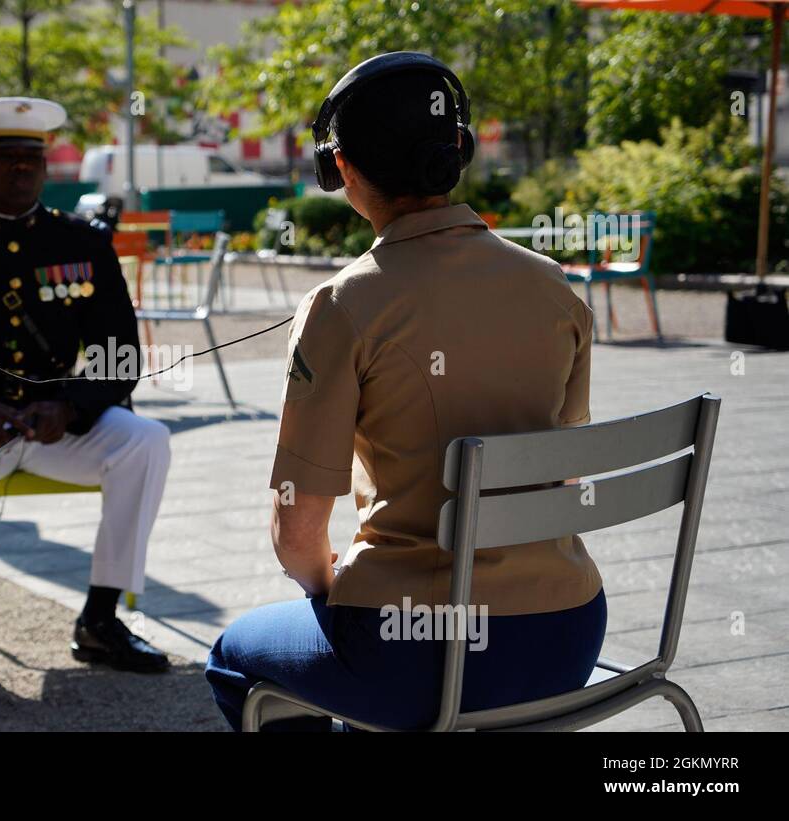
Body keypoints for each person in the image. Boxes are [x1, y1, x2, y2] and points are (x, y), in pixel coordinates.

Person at [205, 53, 606, 730]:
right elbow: (564, 468)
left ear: (342, 172)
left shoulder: (342, 305)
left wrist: (332, 593)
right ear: (460, 151)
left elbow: (297, 530)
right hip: (567, 635)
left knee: (232, 657)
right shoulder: (553, 286)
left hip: (417, 649)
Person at [0, 97, 172, 686]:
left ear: (46, 168)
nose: (20, 169)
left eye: (31, 159)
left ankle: (100, 620)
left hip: (58, 424)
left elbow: (119, 356)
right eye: (5, 157)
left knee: (147, 441)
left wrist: (71, 405)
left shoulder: (84, 245)